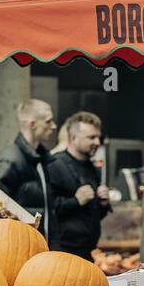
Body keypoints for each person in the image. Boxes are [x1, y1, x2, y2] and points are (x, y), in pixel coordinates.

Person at [45, 111, 111, 259]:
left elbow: (93, 214)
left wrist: (103, 204)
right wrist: (76, 201)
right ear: (74, 138)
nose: (97, 142)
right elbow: (47, 209)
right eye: (91, 137)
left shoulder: (92, 168)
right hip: (62, 252)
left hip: (88, 251)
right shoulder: (54, 165)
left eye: (98, 137)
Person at [0, 98, 56, 225]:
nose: (53, 126)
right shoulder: (8, 162)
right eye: (48, 121)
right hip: (20, 241)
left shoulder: (41, 159)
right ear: (32, 124)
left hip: (38, 241)